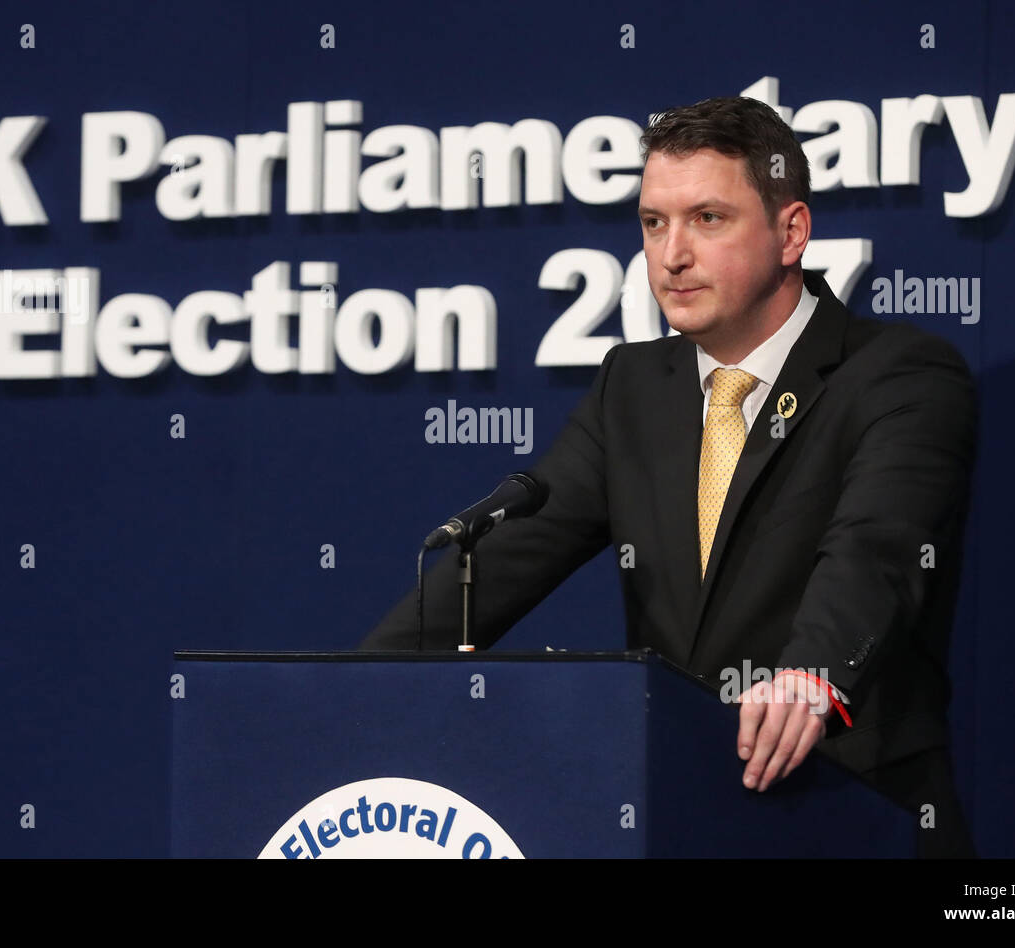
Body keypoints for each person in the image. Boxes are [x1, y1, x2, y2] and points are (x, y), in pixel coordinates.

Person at [361, 96, 978, 858]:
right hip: (682, 816)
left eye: (707, 219)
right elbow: (509, 554)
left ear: (792, 233)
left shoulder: (899, 375)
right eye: (654, 223)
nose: (671, 254)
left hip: (849, 814)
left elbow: (875, 550)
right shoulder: (633, 385)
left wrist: (811, 675)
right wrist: (352, 693)